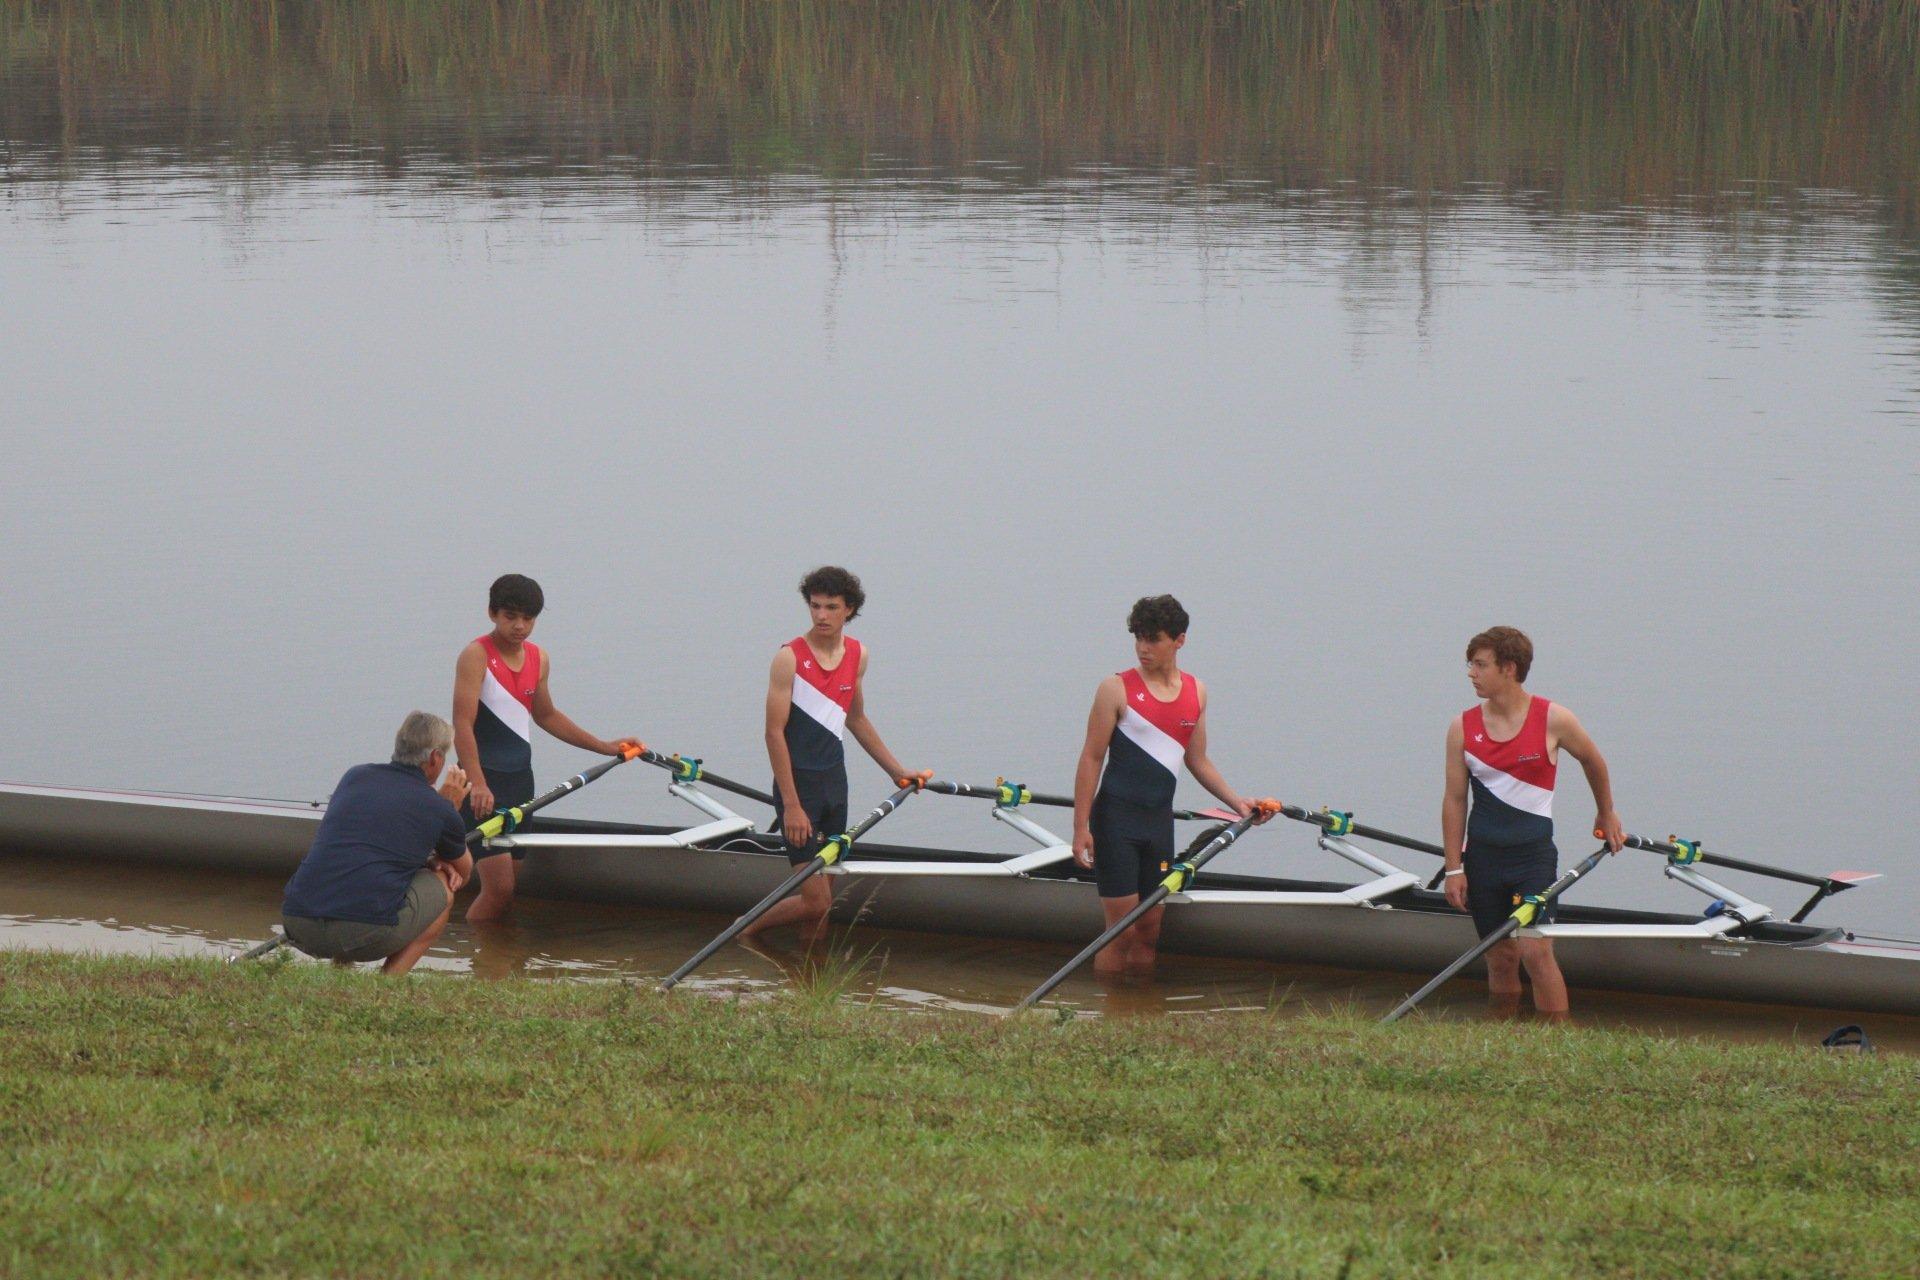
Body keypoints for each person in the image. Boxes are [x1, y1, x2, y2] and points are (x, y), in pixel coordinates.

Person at [1071, 595, 1271, 975]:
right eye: (1138, 638)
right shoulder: (1116, 689)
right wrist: (1081, 827)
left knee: (1148, 931)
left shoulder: (1196, 692)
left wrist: (1238, 803)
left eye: (1153, 639)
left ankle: (1140, 1015)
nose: (1143, 648)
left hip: (1158, 826)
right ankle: (1109, 1017)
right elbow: (1091, 758)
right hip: (1116, 824)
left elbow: (1197, 760)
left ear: (1179, 640)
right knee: (1122, 933)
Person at [1441, 625, 1625, 1017]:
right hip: (1483, 859)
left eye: (1480, 664)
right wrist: (1454, 868)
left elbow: (1593, 761)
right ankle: (1505, 1038)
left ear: (1509, 668)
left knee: (1536, 951)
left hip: (1533, 858)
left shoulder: (1553, 719)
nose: (1471, 673)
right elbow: (1455, 800)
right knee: (1500, 958)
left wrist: (1606, 812)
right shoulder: (1462, 727)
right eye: (1470, 664)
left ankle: (1555, 1045)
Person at [751, 565, 926, 942]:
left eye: (831, 607)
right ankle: (745, 933)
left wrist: (897, 772)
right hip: (799, 791)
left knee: (823, 902)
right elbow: (773, 734)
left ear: (849, 609)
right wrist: (793, 806)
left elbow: (857, 718)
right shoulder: (790, 659)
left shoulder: (858, 655)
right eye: (814, 606)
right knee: (814, 901)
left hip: (835, 786)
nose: (821, 615)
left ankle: (811, 978)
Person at [452, 573, 639, 922]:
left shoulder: (539, 659)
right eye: (511, 617)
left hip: (521, 784)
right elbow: (462, 725)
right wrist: (476, 783)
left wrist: (603, 746)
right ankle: (478, 966)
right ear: (492, 613)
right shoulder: (475, 656)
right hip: (483, 786)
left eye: (528, 618)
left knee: (509, 891)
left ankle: (489, 964)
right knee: (499, 890)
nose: (520, 626)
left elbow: (547, 715)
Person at [280, 712, 474, 976]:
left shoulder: (354, 777)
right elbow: (463, 872)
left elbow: (367, 841)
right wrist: (449, 808)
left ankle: (339, 975)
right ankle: (385, 984)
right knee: (444, 886)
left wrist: (427, 857)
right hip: (361, 933)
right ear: (435, 758)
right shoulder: (437, 806)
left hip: (297, 922)